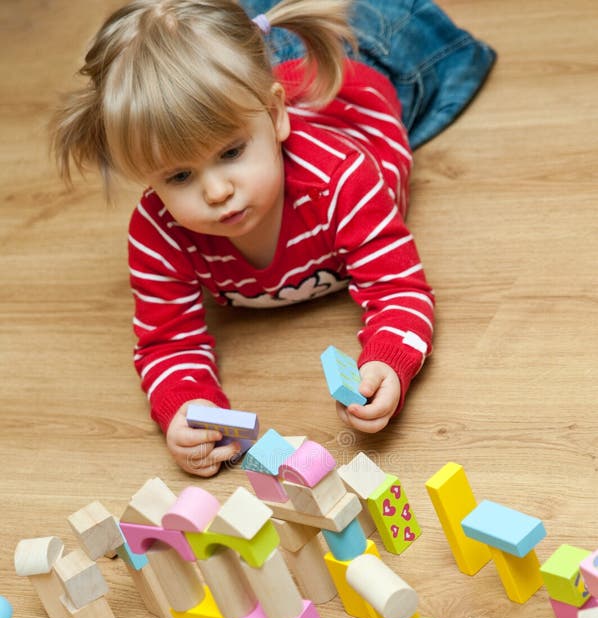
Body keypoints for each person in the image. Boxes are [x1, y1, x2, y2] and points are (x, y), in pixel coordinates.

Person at [51, 0, 495, 476]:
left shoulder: (342, 180)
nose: (218, 191)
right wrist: (183, 407)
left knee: (385, 29)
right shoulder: (157, 232)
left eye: (232, 152)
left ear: (277, 116)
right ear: (146, 178)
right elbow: (167, 342)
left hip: (357, 85)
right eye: (179, 176)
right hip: (267, 88)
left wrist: (390, 359)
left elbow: (399, 289)